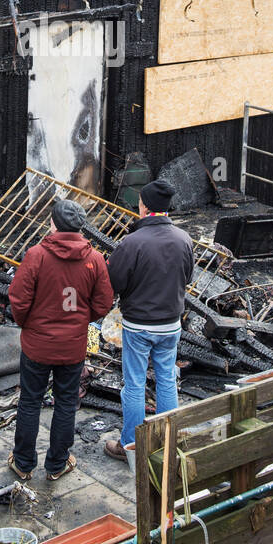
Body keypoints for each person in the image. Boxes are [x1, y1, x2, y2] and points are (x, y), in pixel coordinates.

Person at [8, 197, 114, 481]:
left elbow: (18, 299)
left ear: (53, 223)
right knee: (66, 403)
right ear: (80, 226)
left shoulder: (37, 255)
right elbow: (104, 302)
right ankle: (56, 465)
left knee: (30, 401)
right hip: (72, 347)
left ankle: (23, 464)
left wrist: (28, 325)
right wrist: (80, 320)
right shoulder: (94, 259)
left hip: (37, 347)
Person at [104, 178, 194, 465]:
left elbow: (113, 282)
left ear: (144, 206)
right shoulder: (185, 240)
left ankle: (130, 444)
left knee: (134, 384)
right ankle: (169, 440)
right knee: (167, 379)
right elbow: (187, 278)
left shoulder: (131, 243)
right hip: (171, 324)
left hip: (138, 325)